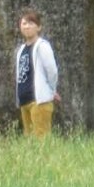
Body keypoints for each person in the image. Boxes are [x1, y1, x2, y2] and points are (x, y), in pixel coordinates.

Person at [13, 7, 59, 137]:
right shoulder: (22, 49)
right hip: (24, 101)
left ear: (38, 27)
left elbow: (52, 71)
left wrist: (52, 89)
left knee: (41, 140)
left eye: (31, 23)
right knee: (29, 140)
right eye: (24, 23)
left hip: (39, 101)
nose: (27, 27)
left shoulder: (42, 46)